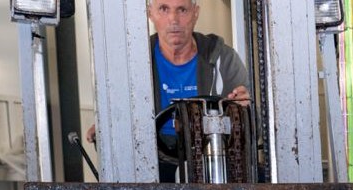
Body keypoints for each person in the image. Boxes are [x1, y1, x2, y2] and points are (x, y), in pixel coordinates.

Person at [87, 0, 250, 151]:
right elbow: (117, 113)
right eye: (164, 9)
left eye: (182, 10)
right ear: (150, 13)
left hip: (210, 156)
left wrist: (245, 112)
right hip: (151, 157)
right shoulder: (133, 62)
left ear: (195, 13)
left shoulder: (224, 59)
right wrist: (106, 126)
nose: (173, 19)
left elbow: (252, 129)